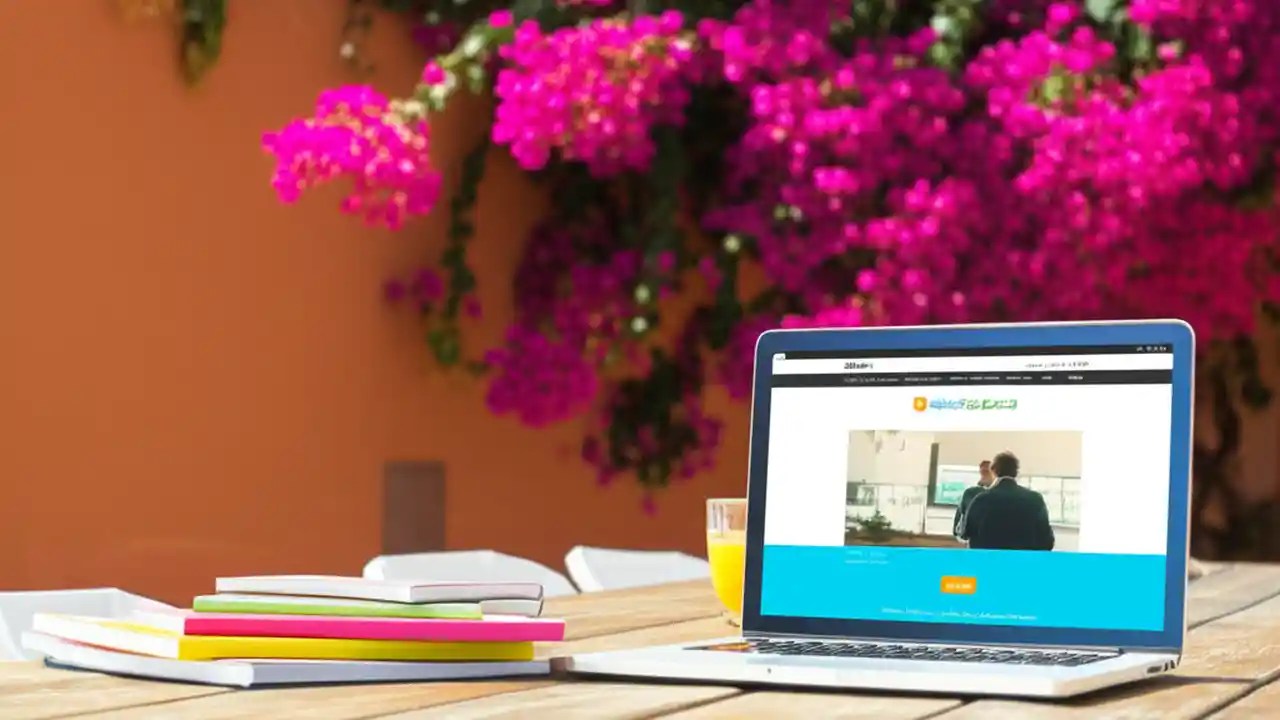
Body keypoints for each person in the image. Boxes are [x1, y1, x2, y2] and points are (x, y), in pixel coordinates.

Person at [963, 451, 1055, 551]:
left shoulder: (980, 499)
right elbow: (1047, 540)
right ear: (1016, 472)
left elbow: (965, 533)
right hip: (1023, 563)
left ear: (993, 471)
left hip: (988, 563)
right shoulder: (1035, 499)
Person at [953, 460, 995, 540]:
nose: (985, 474)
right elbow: (960, 515)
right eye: (983, 472)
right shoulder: (970, 493)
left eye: (987, 472)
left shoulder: (999, 494)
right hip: (974, 537)